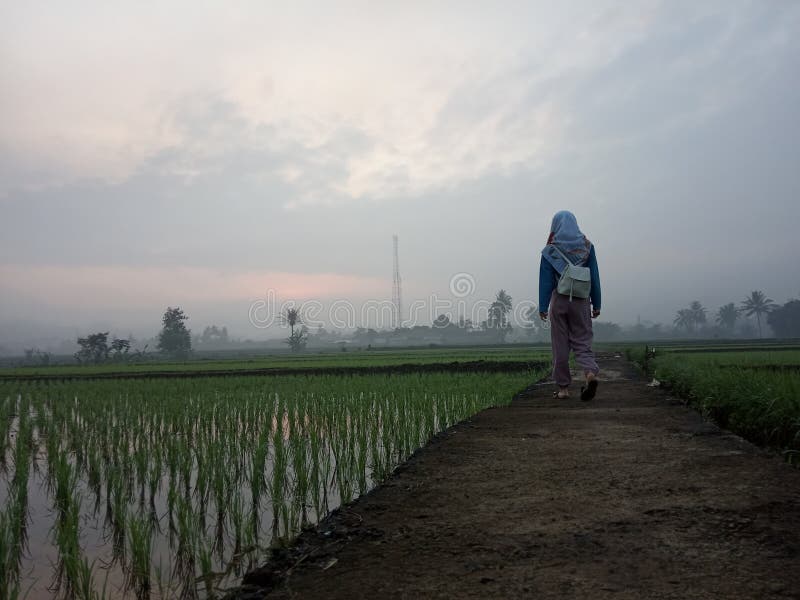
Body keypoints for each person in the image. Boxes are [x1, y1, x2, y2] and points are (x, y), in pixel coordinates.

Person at [538, 211, 601, 400]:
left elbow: (546, 281)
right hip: (581, 301)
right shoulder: (587, 247)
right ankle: (590, 373)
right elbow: (594, 277)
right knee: (582, 342)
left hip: (559, 301)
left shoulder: (550, 250)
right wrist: (596, 303)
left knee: (560, 346)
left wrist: (543, 306)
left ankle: (563, 389)